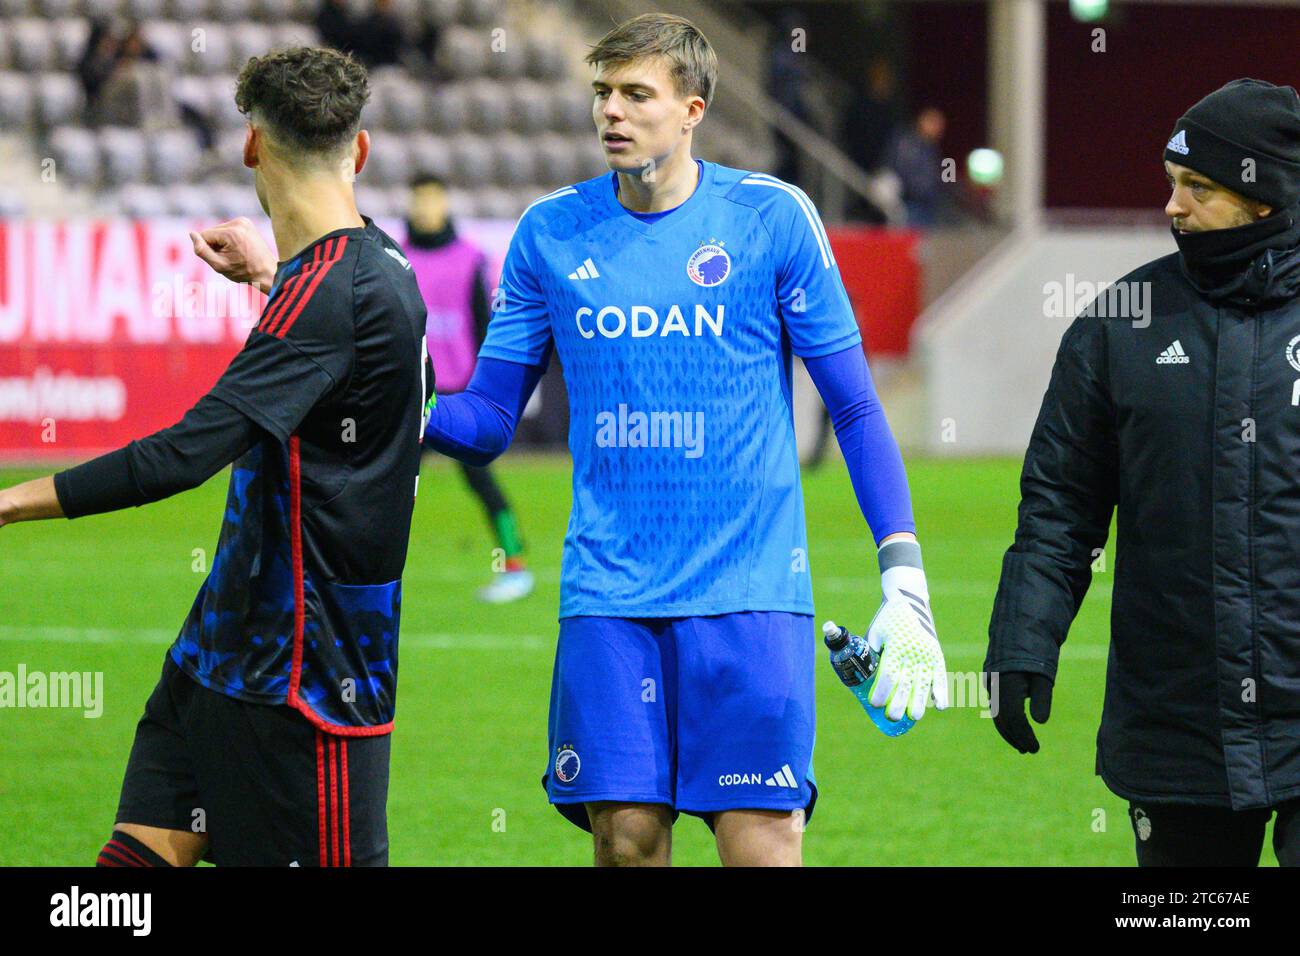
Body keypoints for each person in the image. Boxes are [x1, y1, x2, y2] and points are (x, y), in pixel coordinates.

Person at [201, 14, 948, 867]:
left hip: (751, 594)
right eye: (602, 93)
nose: (612, 112)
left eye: (637, 94)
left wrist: (905, 579)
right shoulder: (550, 234)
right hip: (609, 597)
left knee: (764, 846)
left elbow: (854, 409)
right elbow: (484, 422)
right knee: (626, 842)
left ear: (693, 109)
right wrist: (368, 375)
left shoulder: (772, 219)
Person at [0, 47, 433, 867]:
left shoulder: (326, 293)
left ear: (251, 148)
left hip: (298, 670)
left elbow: (184, 454)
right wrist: (274, 279)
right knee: (137, 863)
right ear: (362, 149)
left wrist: (9, 502)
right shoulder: (381, 266)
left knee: (141, 863)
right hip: (267, 662)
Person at [985, 78, 1300, 867]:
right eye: (1172, 184)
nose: (1174, 207)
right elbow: (1060, 505)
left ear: (1264, 200)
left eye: (1199, 188)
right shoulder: (1121, 323)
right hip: (1175, 721)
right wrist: (1024, 640)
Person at [404, 174, 534, 603]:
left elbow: (484, 323)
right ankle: (356, 574)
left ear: (444, 204)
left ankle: (515, 565)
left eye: (432, 200)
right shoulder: (397, 258)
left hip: (457, 395)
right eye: (419, 200)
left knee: (482, 481)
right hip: (409, 392)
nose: (426, 208)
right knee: (388, 485)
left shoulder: (470, 258)